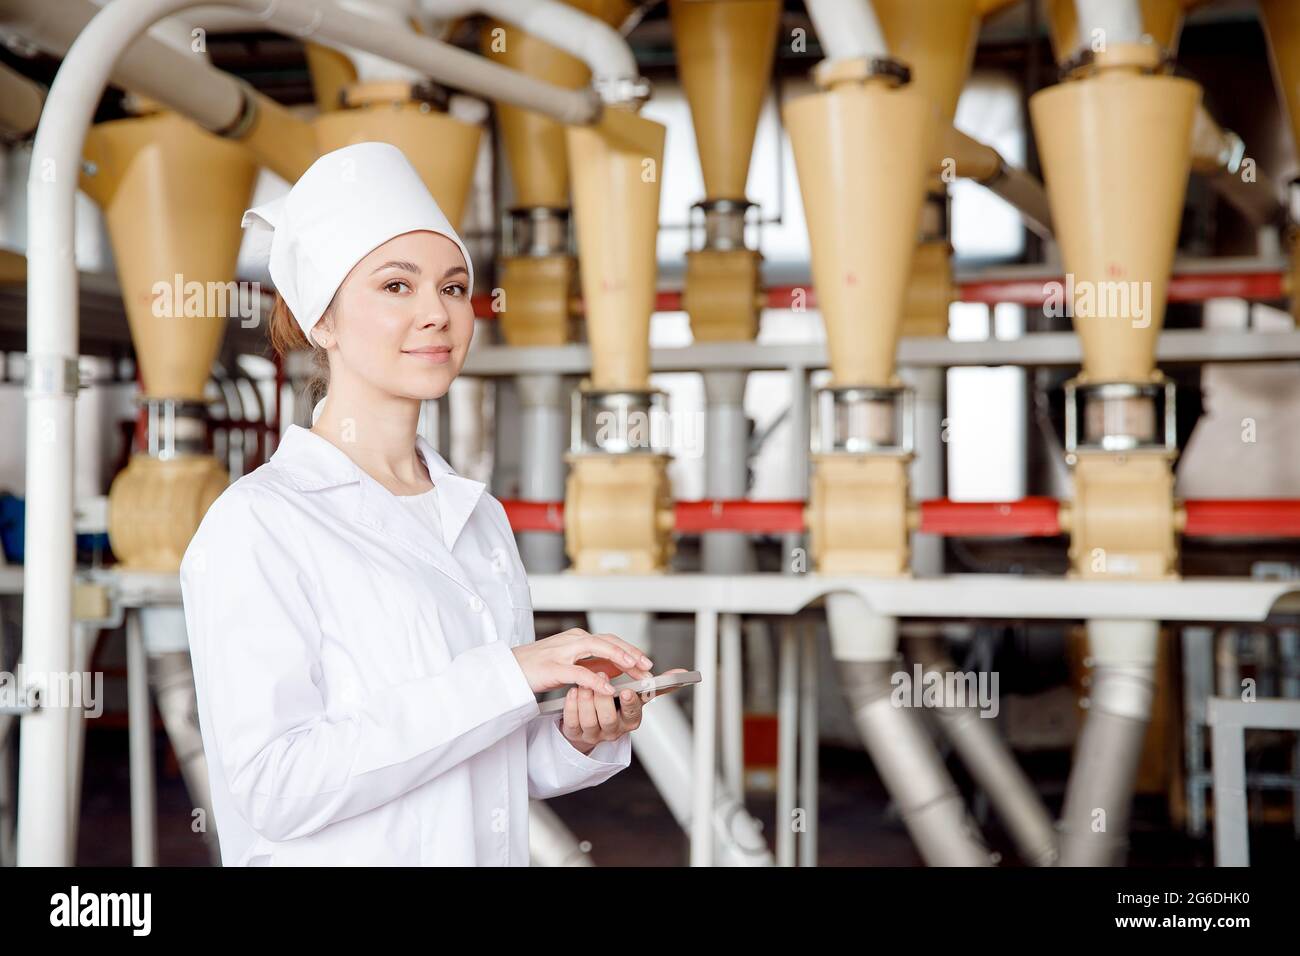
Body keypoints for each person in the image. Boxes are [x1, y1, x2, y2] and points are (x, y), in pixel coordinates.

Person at [180, 141, 679, 866]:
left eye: (451, 288)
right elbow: (277, 788)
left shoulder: (474, 516)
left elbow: (489, 766)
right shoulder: (259, 523)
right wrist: (511, 673)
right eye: (394, 287)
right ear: (323, 320)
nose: (435, 315)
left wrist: (577, 733)